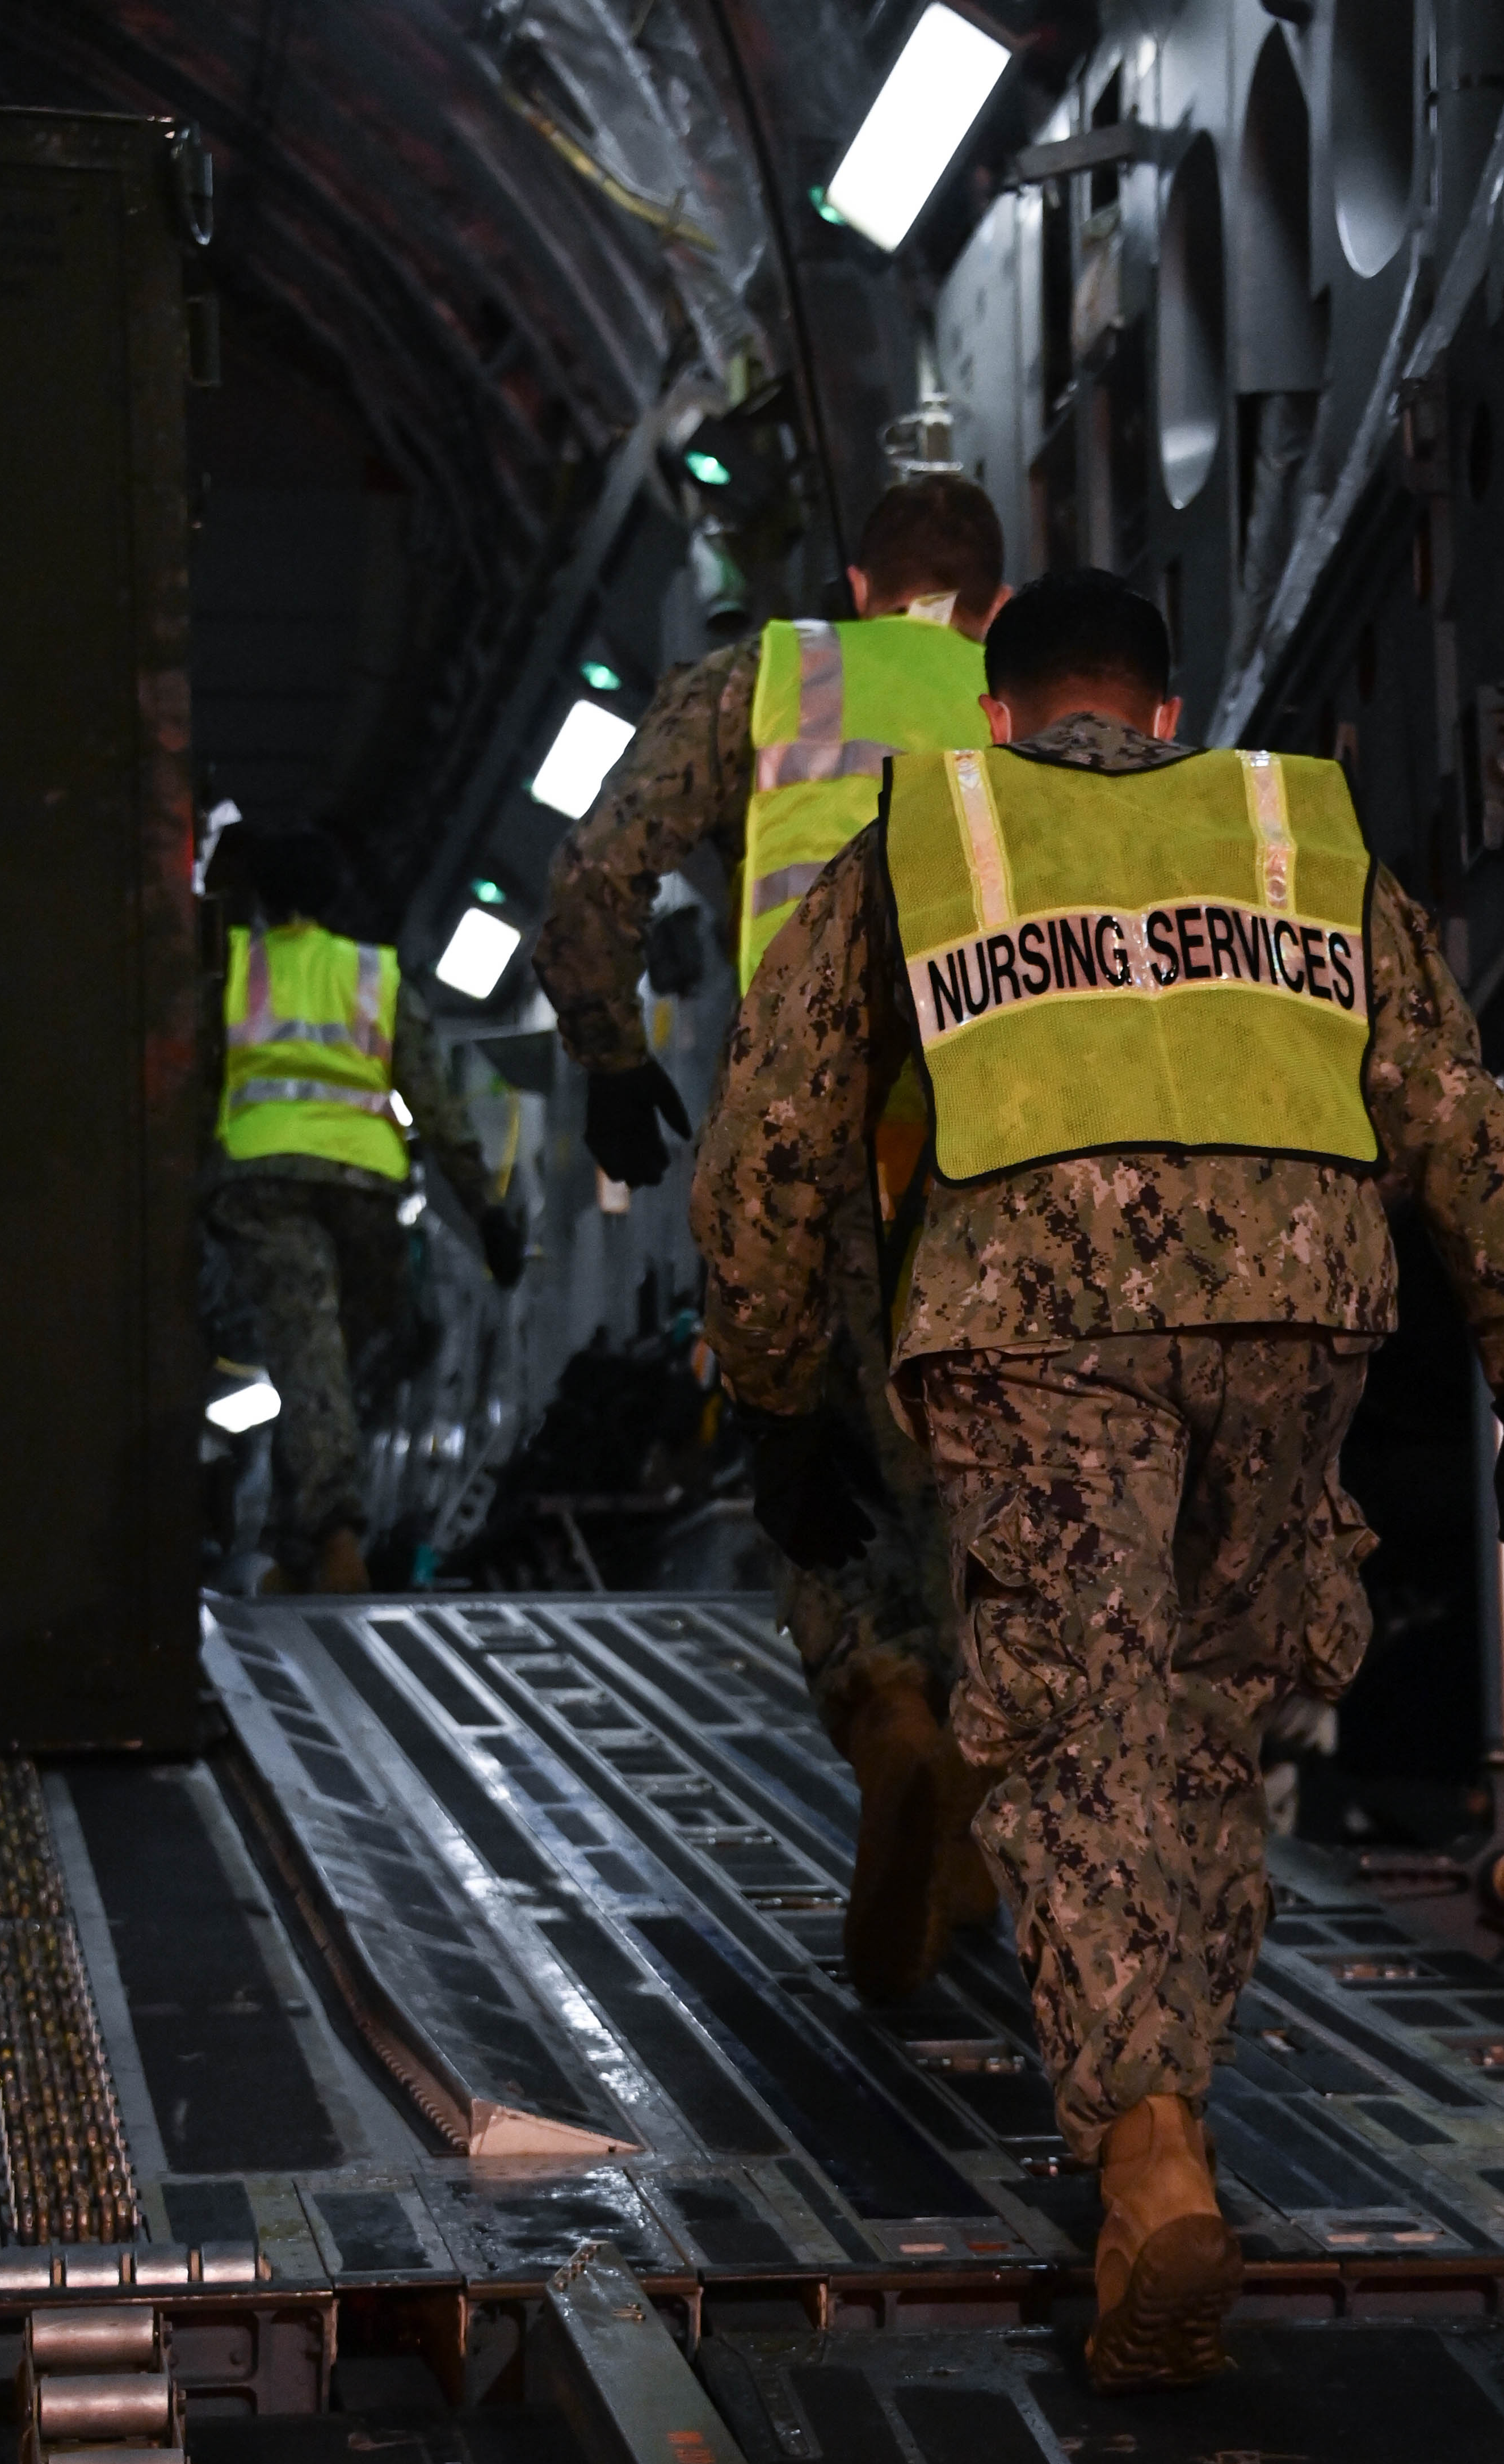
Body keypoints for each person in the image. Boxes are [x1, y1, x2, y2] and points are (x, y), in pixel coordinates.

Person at [690, 568, 1504, 2392]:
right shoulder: (1291, 831)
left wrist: (782, 1397)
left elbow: (775, 1142)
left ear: (1005, 723)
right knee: (1199, 1729)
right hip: (1300, 1318)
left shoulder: (934, 837)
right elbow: (1460, 1115)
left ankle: (1152, 2148)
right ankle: (1160, 2137)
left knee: (1078, 1729)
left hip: (1039, 1326)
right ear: (1172, 717)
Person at [534, 473, 1015, 2000]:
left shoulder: (772, 679)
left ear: (861, 586)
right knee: (981, 1461)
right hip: (997, 1115)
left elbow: (598, 877)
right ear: (987, 604)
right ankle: (976, 1817)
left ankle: (885, 1709)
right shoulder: (1028, 690)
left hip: (806, 1115)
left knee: (813, 1448)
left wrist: (612, 1058)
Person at [204, 826, 525, 1594]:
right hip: (365, 1192)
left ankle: (332, 1536)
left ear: (259, 896)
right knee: (330, 1366)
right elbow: (439, 1109)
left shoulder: (231, 974)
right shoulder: (372, 978)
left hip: (264, 1181)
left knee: (310, 1362)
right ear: (339, 897)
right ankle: (298, 1546)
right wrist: (487, 1212)